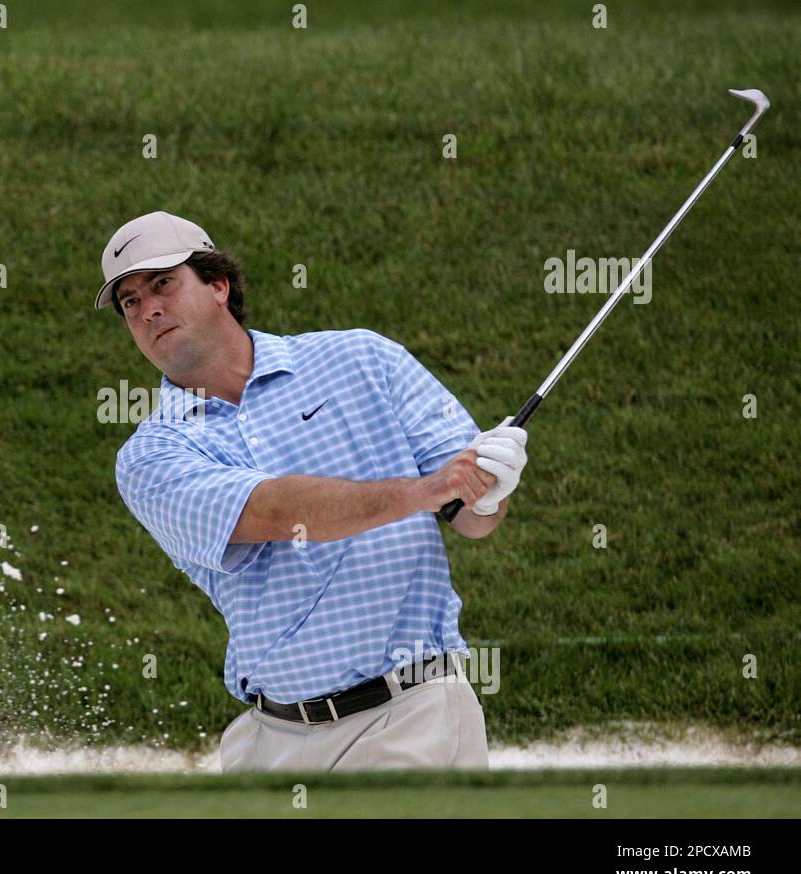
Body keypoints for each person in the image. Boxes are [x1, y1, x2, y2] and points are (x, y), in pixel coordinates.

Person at [95, 211, 528, 772]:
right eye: (130, 301)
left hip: (409, 715)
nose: (148, 308)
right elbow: (277, 511)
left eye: (163, 284)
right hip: (271, 740)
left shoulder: (361, 359)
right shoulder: (150, 458)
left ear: (219, 285)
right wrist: (425, 490)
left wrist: (489, 491)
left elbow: (469, 516)